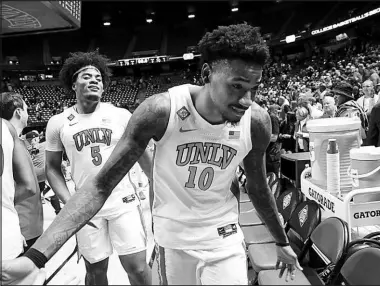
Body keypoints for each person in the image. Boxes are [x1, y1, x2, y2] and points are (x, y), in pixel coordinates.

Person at [2, 23, 301, 285]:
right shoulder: (160, 111)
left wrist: (281, 240)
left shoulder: (257, 122)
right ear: (207, 73)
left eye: (254, 88)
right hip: (173, 239)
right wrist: (37, 256)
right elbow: (99, 184)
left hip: (223, 236)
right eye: (237, 86)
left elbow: (258, 187)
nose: (247, 100)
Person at [45, 51, 151, 285]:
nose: (94, 80)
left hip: (123, 202)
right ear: (73, 84)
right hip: (85, 206)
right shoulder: (58, 122)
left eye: (98, 78)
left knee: (138, 269)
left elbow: (144, 154)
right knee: (95, 271)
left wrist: (159, 187)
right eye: (86, 76)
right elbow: (51, 168)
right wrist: (70, 204)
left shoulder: (121, 115)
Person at [0, 93, 41, 257]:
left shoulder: (16, 141)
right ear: (18, 112)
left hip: (23, 223)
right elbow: (28, 186)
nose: (28, 113)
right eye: (26, 109)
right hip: (21, 225)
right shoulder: (13, 140)